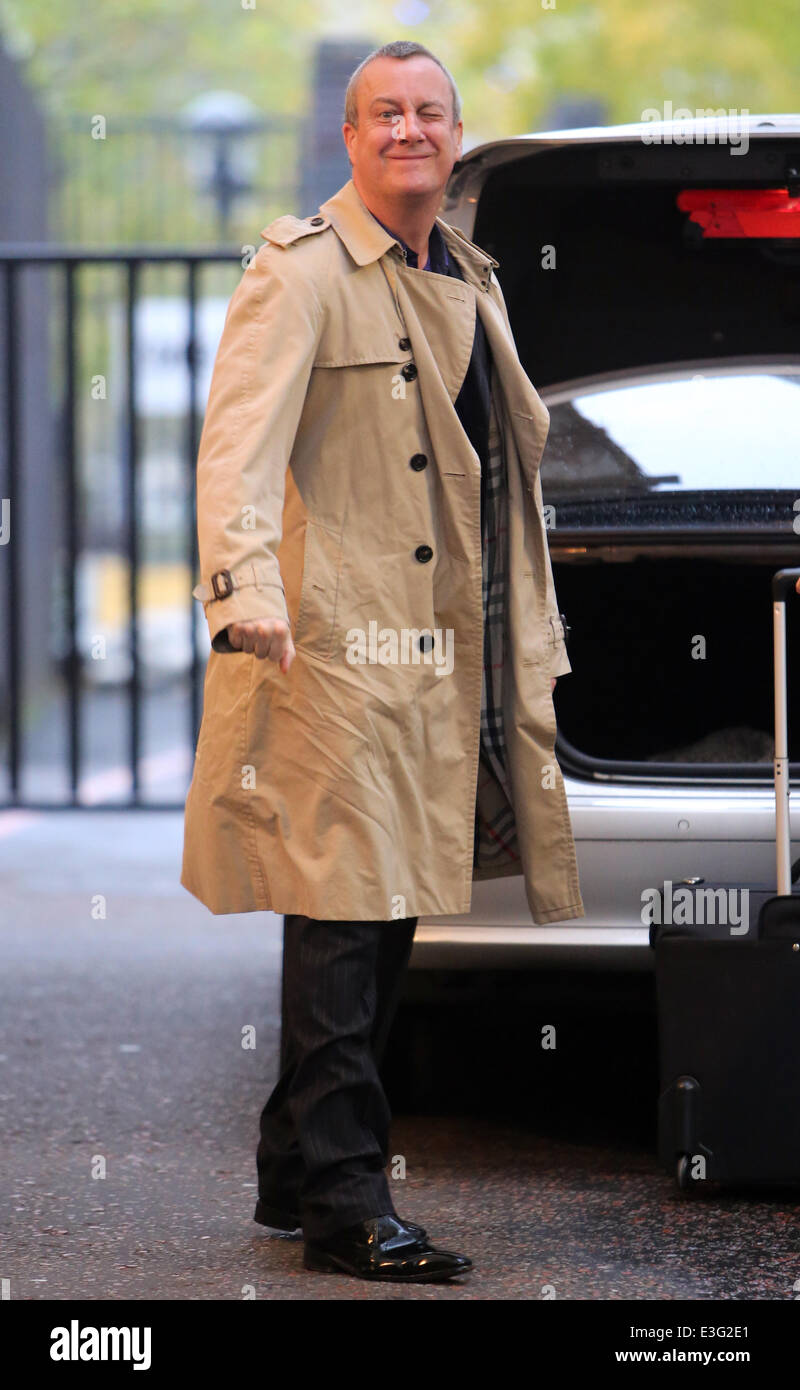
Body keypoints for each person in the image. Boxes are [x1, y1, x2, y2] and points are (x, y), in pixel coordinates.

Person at [181, 38, 584, 1283]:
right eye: (383, 115)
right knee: (344, 914)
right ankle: (350, 1206)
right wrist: (243, 587)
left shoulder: (464, 273)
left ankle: (296, 1169)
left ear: (453, 138)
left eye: (429, 113)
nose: (408, 131)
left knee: (389, 903)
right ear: (348, 142)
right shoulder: (299, 272)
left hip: (434, 650)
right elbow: (234, 447)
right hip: (333, 645)